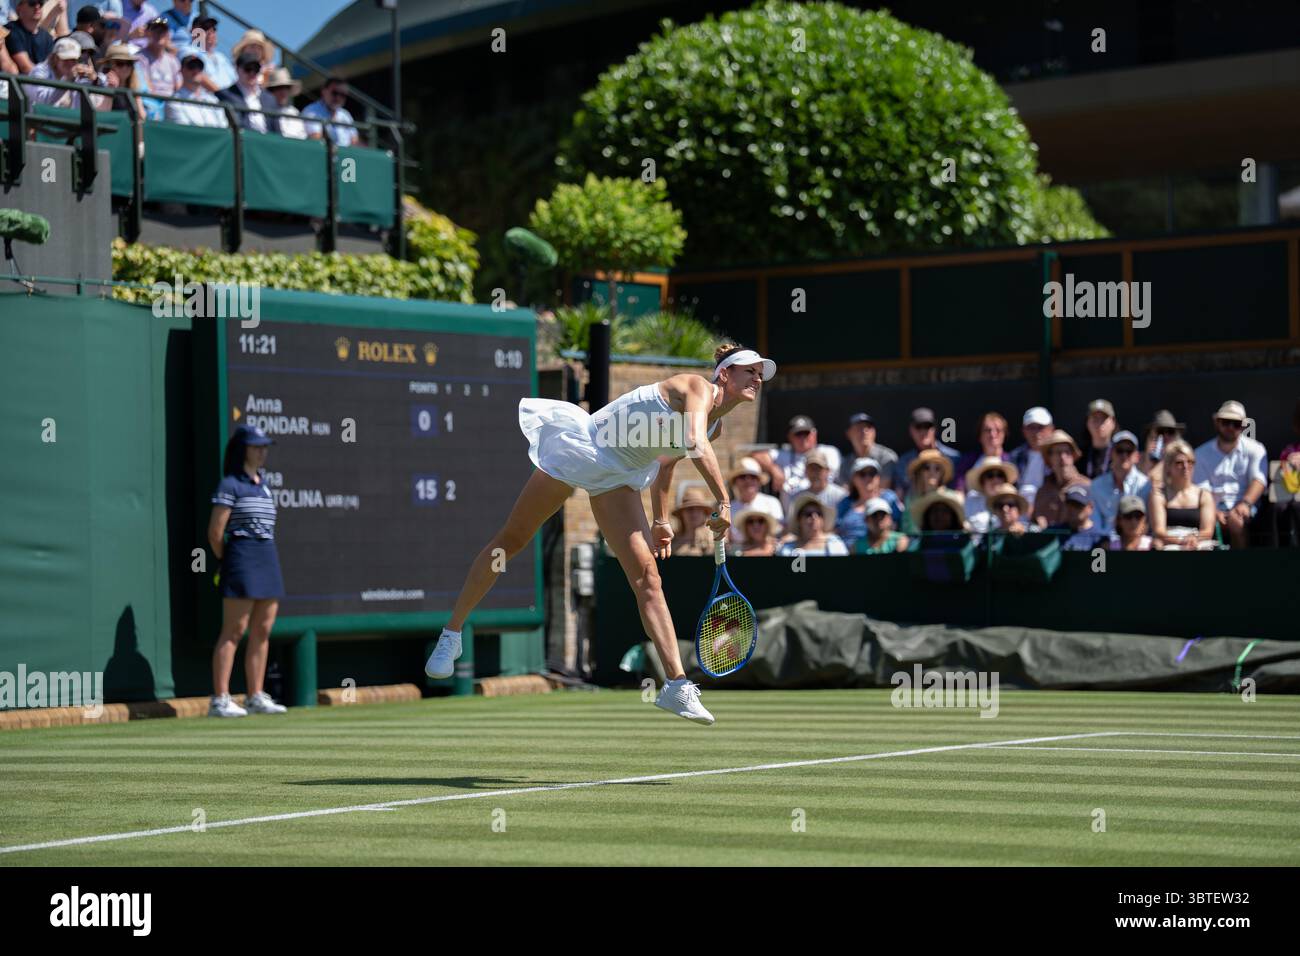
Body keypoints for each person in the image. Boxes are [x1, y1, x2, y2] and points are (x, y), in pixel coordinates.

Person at [429, 343, 777, 726]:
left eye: (761, 374)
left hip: (619, 479)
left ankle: (676, 685)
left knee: (648, 579)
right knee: (511, 541)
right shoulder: (695, 387)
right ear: (725, 374)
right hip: (586, 449)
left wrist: (661, 520)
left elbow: (665, 465)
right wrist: (724, 502)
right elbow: (693, 442)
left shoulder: (718, 424)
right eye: (750, 371)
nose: (758, 379)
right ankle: (452, 632)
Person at [206, 424, 289, 718]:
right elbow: (216, 532)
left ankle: (254, 695)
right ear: (243, 450)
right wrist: (228, 561)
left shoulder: (264, 485)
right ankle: (220, 699)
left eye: (264, 447)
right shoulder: (229, 485)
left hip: (267, 556)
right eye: (256, 446)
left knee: (263, 630)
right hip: (241, 557)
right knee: (234, 630)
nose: (262, 451)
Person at [1193, 400, 1266, 550]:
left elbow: (1258, 480)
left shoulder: (1256, 449)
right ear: (1217, 423)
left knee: (1237, 522)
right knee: (1206, 523)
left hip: (1245, 505)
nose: (1231, 428)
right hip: (1209, 506)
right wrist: (1213, 511)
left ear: (1243, 426)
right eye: (1226, 422)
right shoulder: (1200, 453)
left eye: (1236, 424)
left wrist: (1244, 505)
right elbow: (1201, 489)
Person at [752, 414, 842, 499]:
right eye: (798, 434)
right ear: (790, 437)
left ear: (814, 434)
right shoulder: (784, 455)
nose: (803, 438)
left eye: (806, 433)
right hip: (792, 511)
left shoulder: (828, 452)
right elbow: (756, 456)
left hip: (823, 508)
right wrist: (774, 469)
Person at [1149, 440, 1216, 551]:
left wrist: (1193, 539)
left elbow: (1208, 531)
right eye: (1179, 463)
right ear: (1168, 466)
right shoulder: (1158, 495)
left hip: (1198, 544)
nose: (1186, 466)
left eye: (1190, 462)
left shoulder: (1204, 495)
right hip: (1170, 546)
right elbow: (1159, 531)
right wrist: (1181, 541)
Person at [1088, 430, 1150, 535]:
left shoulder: (1146, 485)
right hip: (1105, 543)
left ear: (1137, 456)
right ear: (1111, 453)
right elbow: (1095, 523)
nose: (1124, 455)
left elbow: (1147, 521)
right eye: (1120, 450)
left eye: (1129, 451)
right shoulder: (1096, 486)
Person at [836, 457, 902, 551]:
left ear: (878, 477)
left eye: (872, 474)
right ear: (853, 479)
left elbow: (899, 525)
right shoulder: (844, 503)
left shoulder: (889, 497)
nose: (868, 478)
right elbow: (836, 530)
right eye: (862, 474)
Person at [1031, 429, 1090, 529]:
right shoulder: (1043, 491)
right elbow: (1033, 522)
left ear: (1073, 456)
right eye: (1058, 452)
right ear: (1050, 458)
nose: (1063, 457)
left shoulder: (1087, 486)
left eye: (1067, 452)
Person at [896, 406, 961, 498]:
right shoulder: (904, 462)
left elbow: (958, 491)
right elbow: (901, 495)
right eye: (918, 427)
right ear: (911, 430)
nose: (923, 431)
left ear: (934, 428)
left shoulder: (954, 458)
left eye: (927, 426)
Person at [216, 51, 279, 133]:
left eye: (256, 69)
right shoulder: (226, 95)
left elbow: (277, 131)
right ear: (237, 69)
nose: (252, 73)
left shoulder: (270, 98)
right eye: (248, 69)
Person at [727, 456, 783, 544]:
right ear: (735, 481)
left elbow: (779, 533)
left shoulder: (772, 503)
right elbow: (727, 540)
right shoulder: (727, 509)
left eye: (753, 477)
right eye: (742, 476)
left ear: (759, 481)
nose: (748, 481)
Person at [164, 47, 225, 126]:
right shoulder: (174, 102)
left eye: (199, 66)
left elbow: (223, 127)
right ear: (181, 70)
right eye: (191, 66)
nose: (196, 70)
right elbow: (184, 130)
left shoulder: (213, 100)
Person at [837, 412, 897, 489]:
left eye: (868, 428)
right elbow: (844, 490)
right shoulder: (846, 463)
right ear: (848, 433)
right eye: (859, 428)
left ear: (874, 432)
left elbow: (883, 489)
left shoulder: (887, 457)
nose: (864, 432)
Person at [775, 493, 849, 557]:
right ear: (799, 520)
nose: (814, 517)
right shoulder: (787, 548)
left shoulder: (834, 543)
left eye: (818, 514)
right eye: (808, 514)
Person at [1008, 406, 1053, 509]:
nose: (1036, 432)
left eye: (1041, 427)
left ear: (1051, 429)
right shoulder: (1015, 457)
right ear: (1024, 431)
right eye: (1031, 427)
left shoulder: (1059, 455)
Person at [900, 448, 952, 535]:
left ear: (942, 473)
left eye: (937, 468)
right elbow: (907, 531)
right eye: (927, 468)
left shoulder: (951, 497)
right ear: (919, 472)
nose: (932, 472)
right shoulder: (910, 500)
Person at [954, 412, 1010, 492]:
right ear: (979, 435)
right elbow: (959, 488)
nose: (993, 434)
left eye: (998, 430)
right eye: (988, 430)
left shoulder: (1013, 460)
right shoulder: (968, 461)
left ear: (1004, 434)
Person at [963, 456, 1019, 534]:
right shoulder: (971, 501)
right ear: (982, 481)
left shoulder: (1014, 501)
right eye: (990, 475)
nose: (995, 479)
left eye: (1000, 475)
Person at [780, 448, 845, 514]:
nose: (815, 473)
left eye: (818, 469)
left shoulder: (840, 496)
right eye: (811, 469)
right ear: (805, 472)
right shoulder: (798, 498)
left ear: (827, 471)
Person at [303, 74, 359, 146]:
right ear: (324, 91)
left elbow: (354, 141)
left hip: (345, 155)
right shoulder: (311, 111)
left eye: (342, 95)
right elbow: (315, 139)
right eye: (335, 93)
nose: (338, 98)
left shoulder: (345, 115)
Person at [100, 39, 146, 122]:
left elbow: (142, 117)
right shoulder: (100, 85)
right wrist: (110, 89)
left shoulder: (133, 89)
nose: (125, 68)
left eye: (129, 63)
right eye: (120, 63)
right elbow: (101, 116)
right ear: (109, 66)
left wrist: (136, 96)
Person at [1140, 409, 1185, 492]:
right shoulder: (1138, 458)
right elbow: (1142, 486)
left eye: (1170, 432)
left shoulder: (1184, 460)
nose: (1165, 436)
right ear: (1150, 435)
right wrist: (1148, 459)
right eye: (1160, 431)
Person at [5, 0, 55, 73]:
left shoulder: (47, 37)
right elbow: (25, 67)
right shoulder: (11, 30)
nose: (37, 7)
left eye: (41, 3)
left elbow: (50, 67)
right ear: (19, 8)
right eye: (32, 3)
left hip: (41, 81)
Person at [1052, 484, 1105, 551]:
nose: (1072, 509)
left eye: (1077, 505)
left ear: (1090, 507)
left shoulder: (1099, 537)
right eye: (1069, 504)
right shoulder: (1054, 533)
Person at [669, 485, 715, 557]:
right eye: (690, 509)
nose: (694, 514)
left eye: (699, 509)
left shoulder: (713, 538)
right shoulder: (672, 540)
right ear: (682, 514)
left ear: (704, 513)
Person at [191, 14, 233, 91]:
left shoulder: (222, 57)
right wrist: (225, 97)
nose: (210, 32)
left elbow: (234, 80)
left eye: (214, 28)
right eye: (206, 28)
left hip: (229, 100)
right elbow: (199, 76)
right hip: (206, 101)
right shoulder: (190, 52)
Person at [1278, 398, 1300, 545]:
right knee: (1279, 507)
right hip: (1292, 494)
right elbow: (1281, 483)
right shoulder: (1290, 450)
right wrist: (1288, 466)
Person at [265, 66, 306, 139]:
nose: (283, 92)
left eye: (286, 87)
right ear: (272, 91)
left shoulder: (294, 112)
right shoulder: (265, 112)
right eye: (278, 88)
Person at [1081, 398, 1117, 479]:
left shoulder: (1120, 452)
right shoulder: (1079, 455)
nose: (1099, 424)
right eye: (1095, 418)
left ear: (1113, 423)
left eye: (1103, 419)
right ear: (1087, 423)